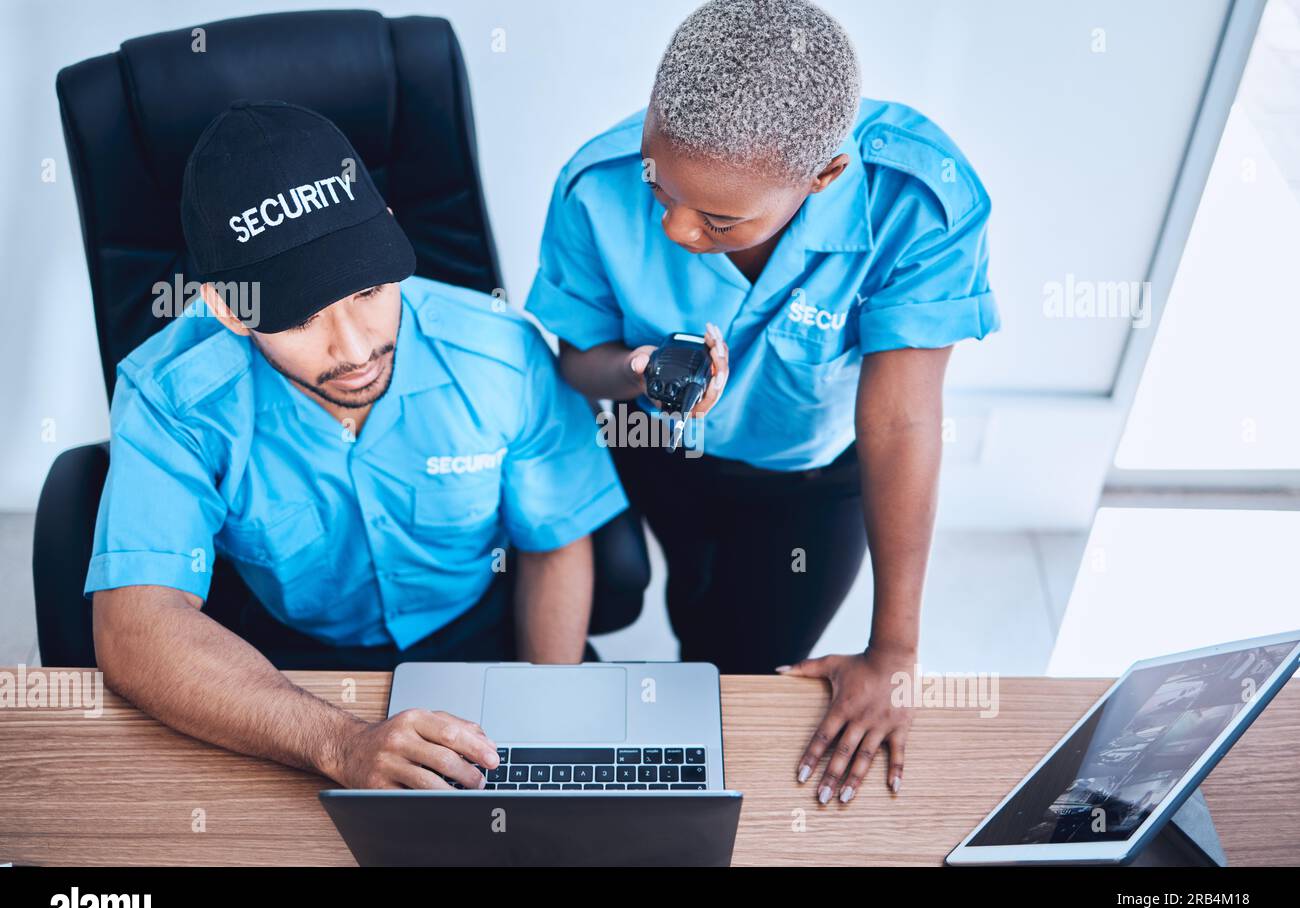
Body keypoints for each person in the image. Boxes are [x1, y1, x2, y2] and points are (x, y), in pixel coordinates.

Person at [525, 0, 999, 804]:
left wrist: (893, 654)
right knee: (674, 590)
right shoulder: (592, 186)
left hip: (806, 485)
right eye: (658, 180)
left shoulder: (919, 202)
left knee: (734, 665)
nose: (674, 228)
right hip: (654, 453)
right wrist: (637, 371)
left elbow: (901, 417)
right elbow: (579, 367)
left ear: (823, 178)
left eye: (718, 218)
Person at [86, 101, 627, 790]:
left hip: (477, 636)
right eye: (301, 316)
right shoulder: (173, 396)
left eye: (369, 289)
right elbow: (134, 625)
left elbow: (553, 539)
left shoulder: (498, 351)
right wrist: (339, 743)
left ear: (391, 235)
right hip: (288, 667)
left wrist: (542, 722)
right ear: (227, 308)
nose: (356, 348)